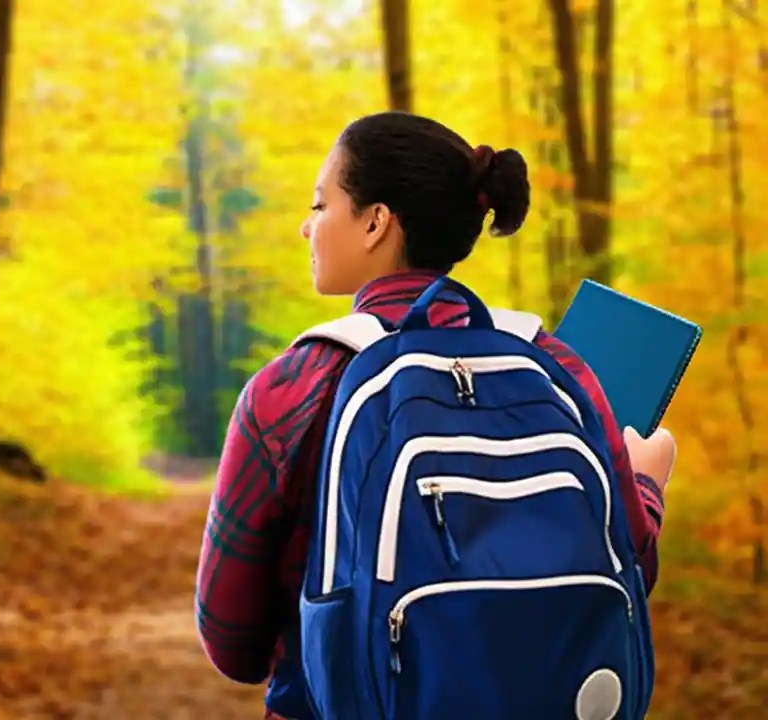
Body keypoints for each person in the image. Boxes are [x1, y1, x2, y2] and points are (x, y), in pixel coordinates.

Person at [193, 111, 676, 720]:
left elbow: (232, 642)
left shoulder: (292, 388)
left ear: (375, 222)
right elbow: (630, 569)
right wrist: (645, 483)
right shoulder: (555, 364)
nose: (304, 227)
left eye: (320, 206)